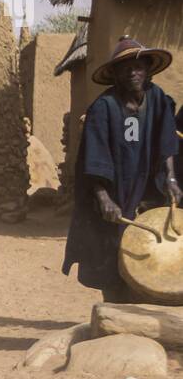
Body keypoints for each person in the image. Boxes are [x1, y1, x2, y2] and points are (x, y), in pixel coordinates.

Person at [63, 37, 180, 302]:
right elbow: (93, 161)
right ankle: (114, 318)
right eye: (125, 68)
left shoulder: (158, 99)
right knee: (112, 264)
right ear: (115, 73)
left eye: (139, 66)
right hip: (114, 193)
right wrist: (104, 199)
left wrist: (171, 178)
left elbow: (167, 144)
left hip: (147, 192)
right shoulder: (103, 109)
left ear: (149, 69)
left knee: (150, 256)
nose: (133, 72)